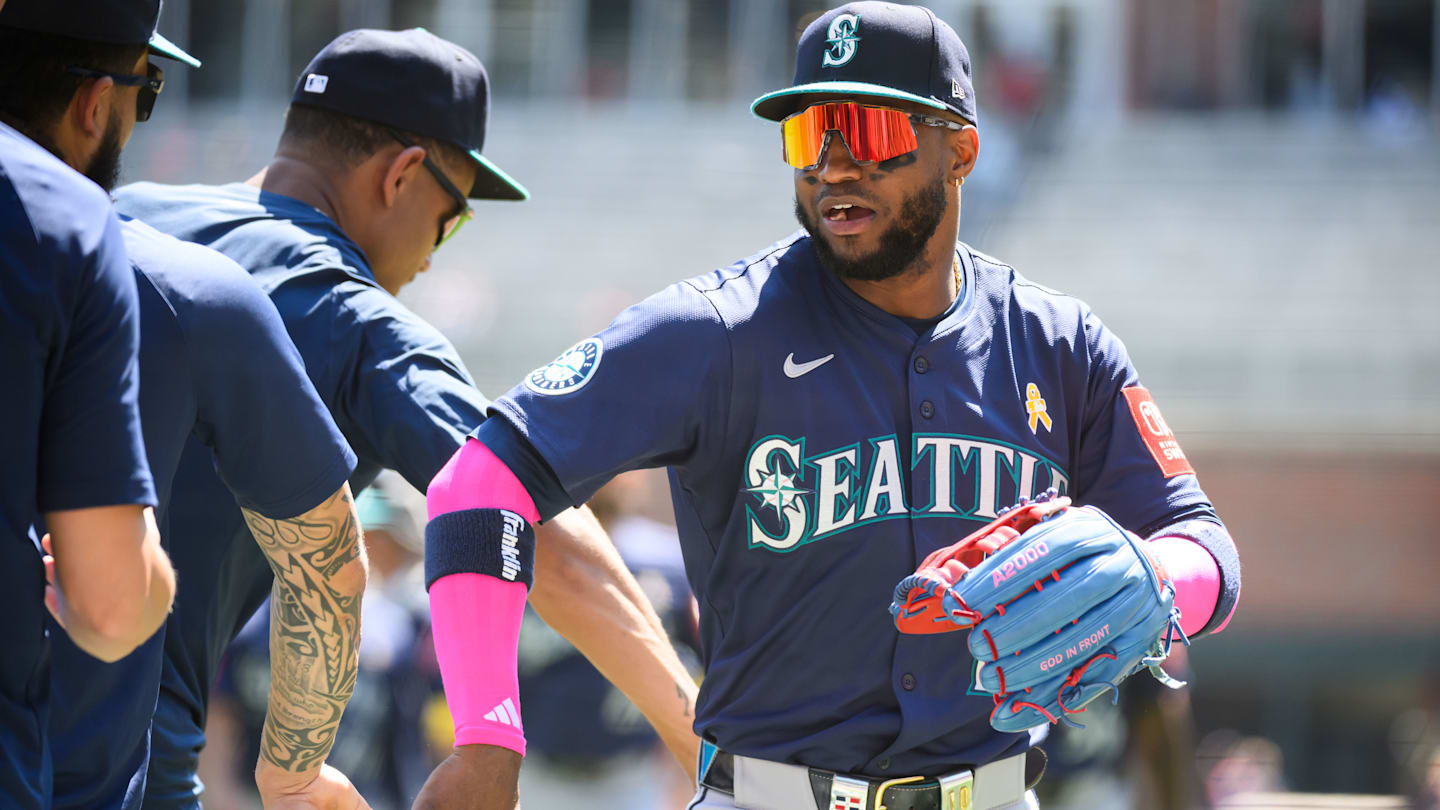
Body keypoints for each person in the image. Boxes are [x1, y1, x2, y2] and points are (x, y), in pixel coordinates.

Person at [422, 4, 1243, 810]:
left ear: (961, 150)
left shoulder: (1058, 342)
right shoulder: (716, 331)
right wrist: (488, 735)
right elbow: (477, 483)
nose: (835, 166)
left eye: (870, 131)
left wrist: (1160, 580)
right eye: (809, 134)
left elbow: (1205, 547)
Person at [112, 28, 699, 809]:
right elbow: (536, 528)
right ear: (402, 175)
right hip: (115, 752)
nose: (430, 258)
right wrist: (704, 744)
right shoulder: (359, 320)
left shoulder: (117, 212)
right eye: (451, 218)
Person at [0, 2, 372, 808]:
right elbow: (328, 563)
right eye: (148, 89)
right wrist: (295, 774)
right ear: (95, 102)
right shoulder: (148, 271)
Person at [0, 4, 176, 806]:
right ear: (95, 101)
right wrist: (151, 576)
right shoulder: (63, 219)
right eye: (147, 92)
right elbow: (109, 606)